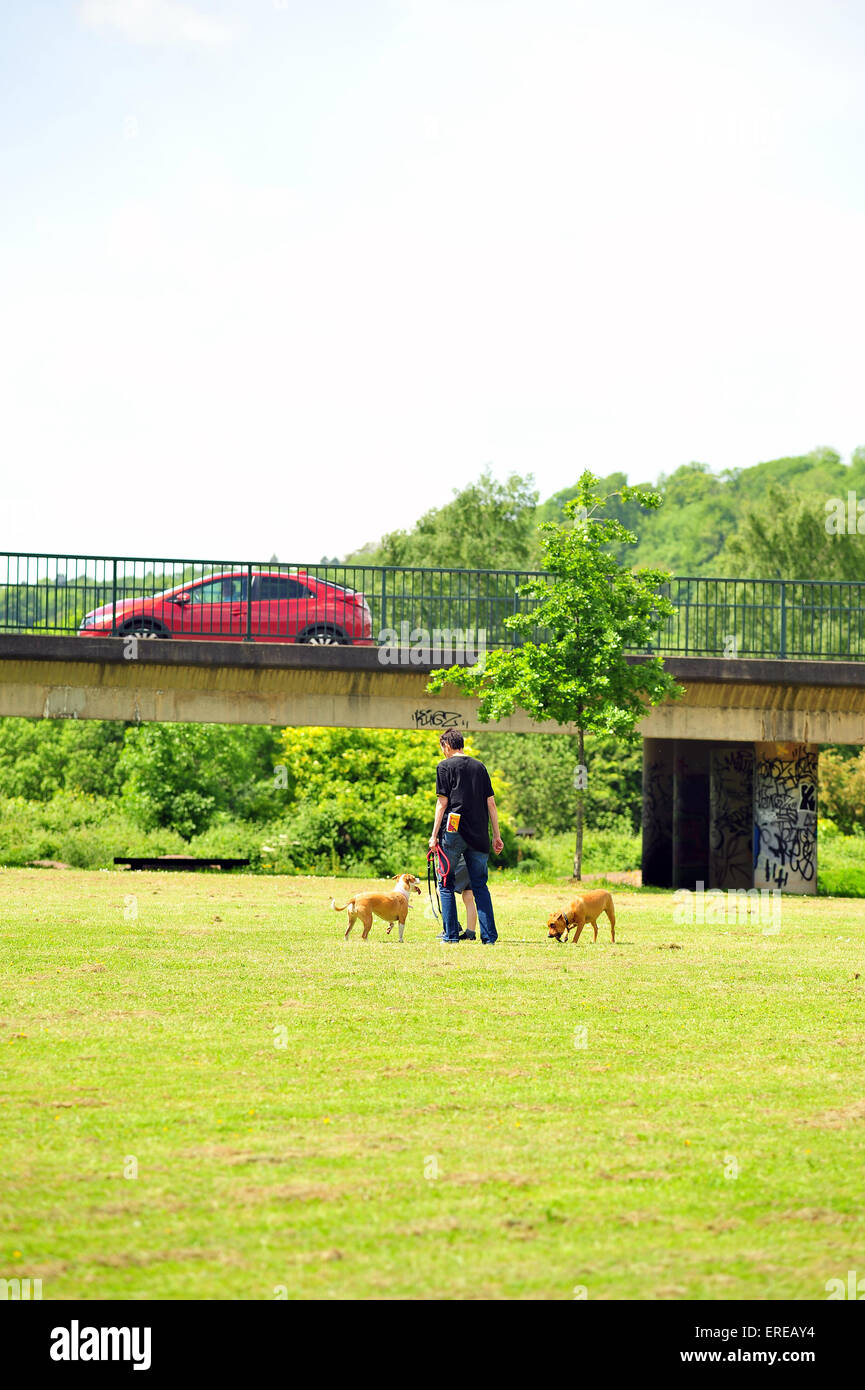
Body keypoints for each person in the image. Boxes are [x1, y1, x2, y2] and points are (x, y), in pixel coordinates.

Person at [429, 728, 503, 945]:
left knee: (445, 883)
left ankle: (451, 936)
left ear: (446, 745)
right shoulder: (480, 767)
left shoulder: (444, 766)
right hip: (479, 834)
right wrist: (496, 836)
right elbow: (491, 803)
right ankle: (489, 938)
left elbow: (442, 803)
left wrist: (433, 836)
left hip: (453, 833)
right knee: (480, 886)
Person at [435, 852, 478, 941]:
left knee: (442, 890)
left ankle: (454, 928)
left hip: (458, 858)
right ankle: (470, 933)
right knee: (468, 896)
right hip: (473, 858)